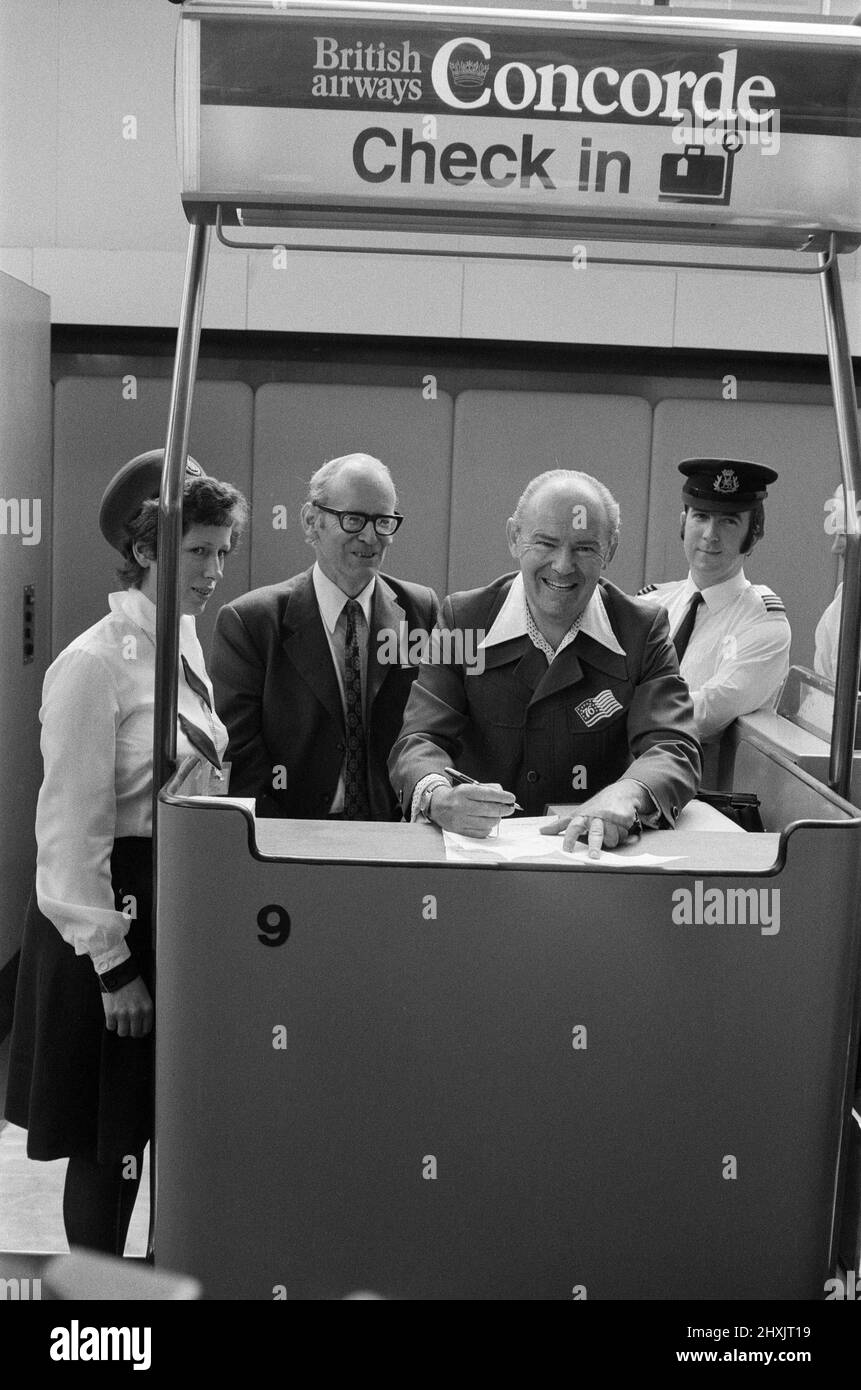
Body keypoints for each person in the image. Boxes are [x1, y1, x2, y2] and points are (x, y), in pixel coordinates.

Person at [4, 451, 248, 1257]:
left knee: (147, 1129)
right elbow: (71, 833)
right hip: (109, 922)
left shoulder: (183, 648)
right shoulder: (93, 663)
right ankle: (103, 1321)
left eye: (222, 550)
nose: (214, 570)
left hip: (172, 907)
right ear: (146, 552)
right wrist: (113, 965)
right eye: (197, 552)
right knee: (106, 1147)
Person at [388, 469, 701, 854]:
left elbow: (672, 745)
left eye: (585, 548)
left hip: (593, 857)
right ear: (514, 539)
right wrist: (437, 795)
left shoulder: (641, 630)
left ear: (612, 549)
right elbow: (419, 739)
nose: (563, 565)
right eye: (546, 543)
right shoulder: (464, 620)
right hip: (477, 858)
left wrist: (627, 795)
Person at [211, 452, 439, 819]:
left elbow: (433, 727)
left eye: (383, 521)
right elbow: (241, 760)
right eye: (353, 520)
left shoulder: (420, 609)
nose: (370, 536)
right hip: (289, 841)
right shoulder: (251, 622)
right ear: (311, 521)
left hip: (396, 836)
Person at [637, 459, 790, 767]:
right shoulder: (650, 603)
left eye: (729, 521)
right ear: (683, 522)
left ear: (754, 532)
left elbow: (708, 711)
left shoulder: (764, 623)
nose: (710, 534)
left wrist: (622, 709)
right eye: (701, 517)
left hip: (702, 798)